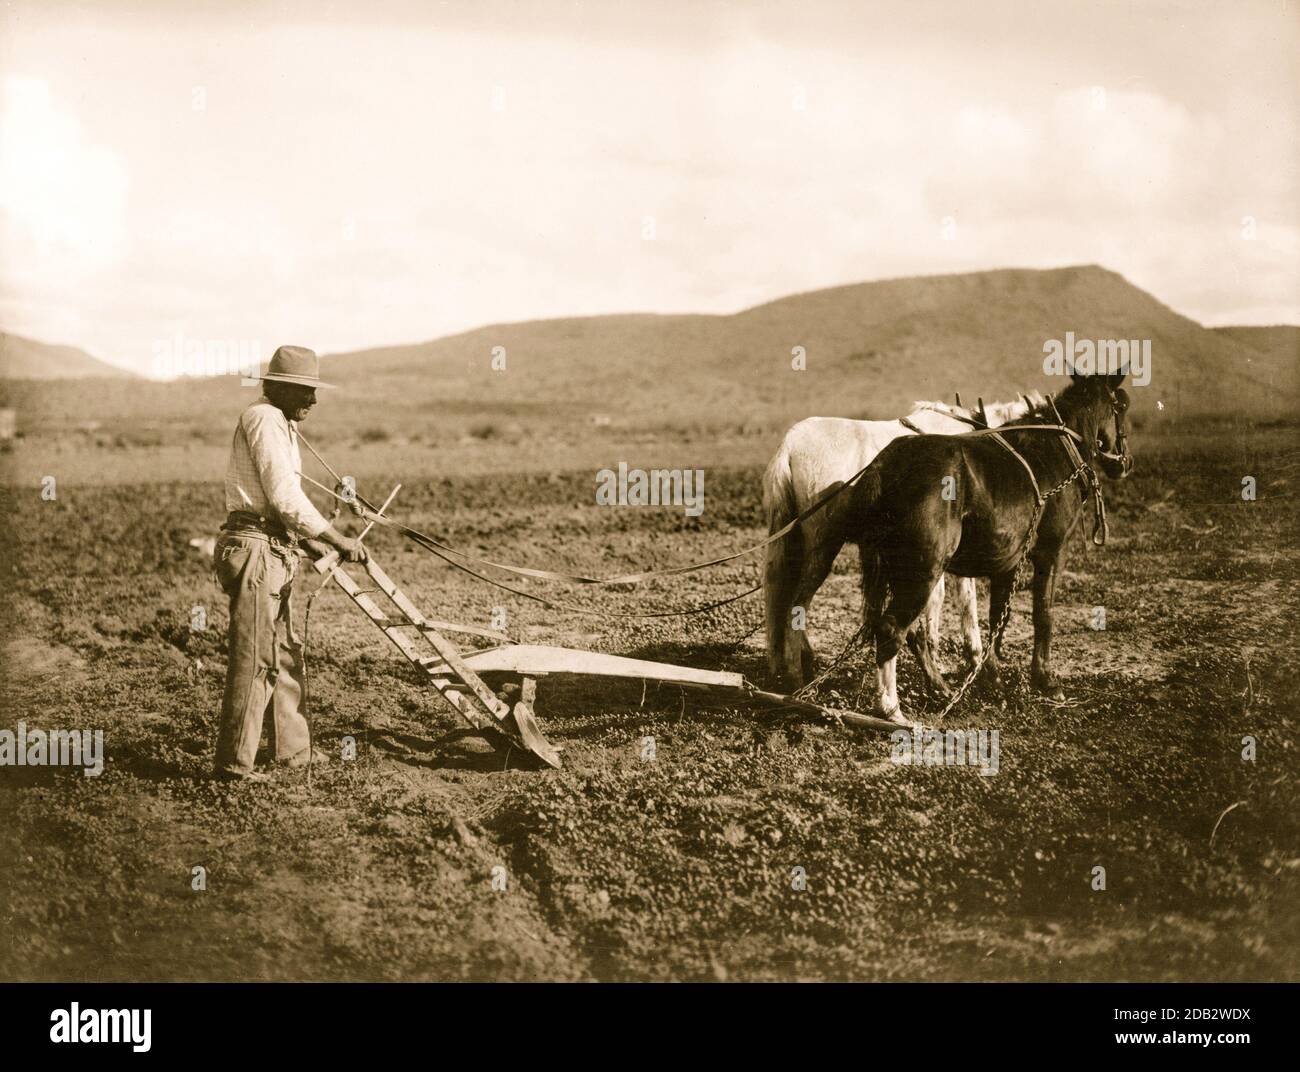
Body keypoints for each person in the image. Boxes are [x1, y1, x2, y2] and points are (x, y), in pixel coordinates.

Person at [211, 345, 367, 782]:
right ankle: (233, 767)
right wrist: (336, 537)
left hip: (274, 546)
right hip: (256, 548)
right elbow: (282, 496)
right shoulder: (263, 418)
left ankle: (293, 753)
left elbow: (280, 505)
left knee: (282, 653)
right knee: (256, 657)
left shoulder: (280, 421)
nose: (313, 401)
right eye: (304, 391)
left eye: (314, 392)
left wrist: (317, 546)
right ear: (277, 386)